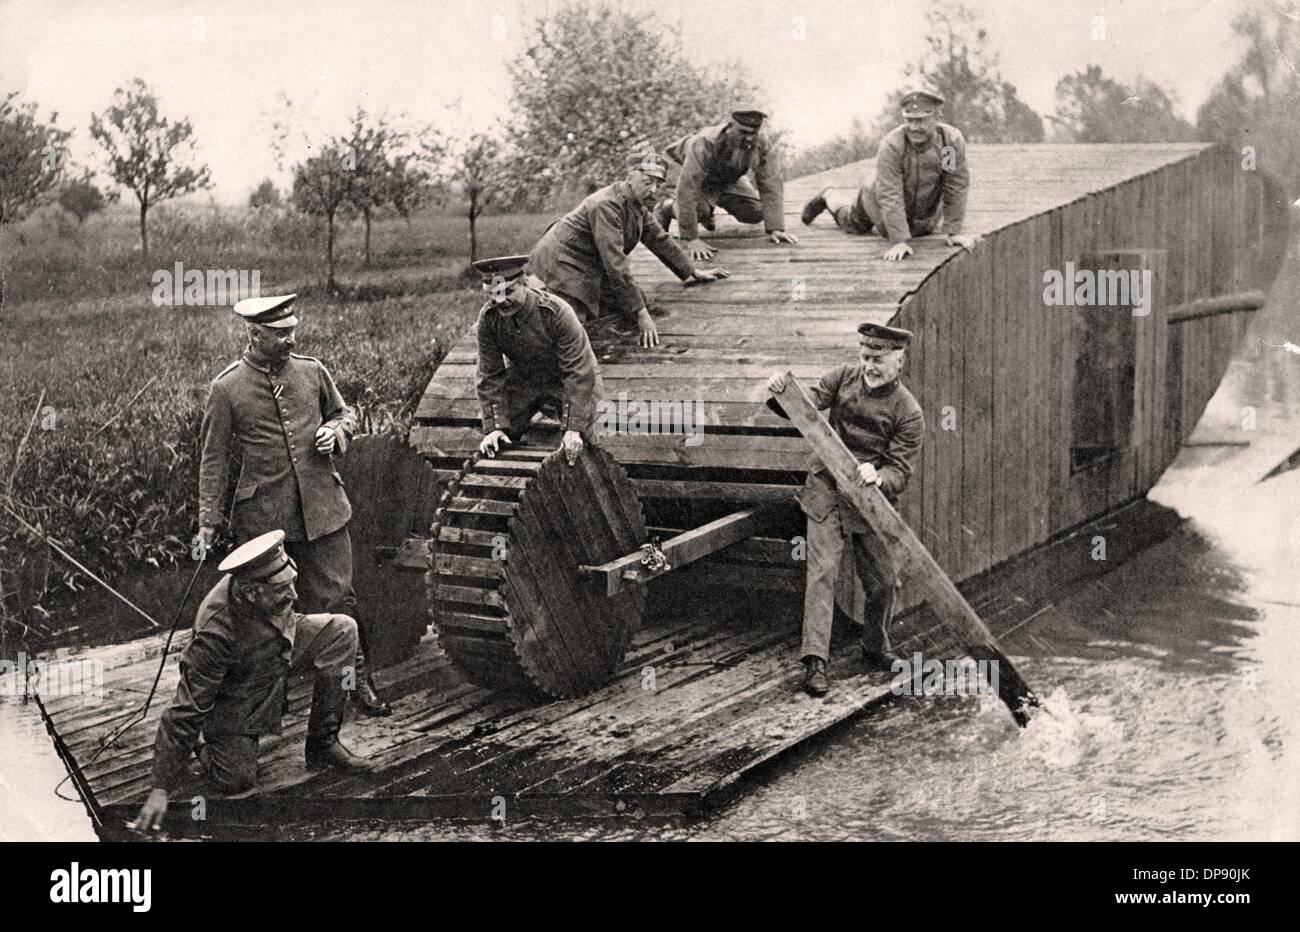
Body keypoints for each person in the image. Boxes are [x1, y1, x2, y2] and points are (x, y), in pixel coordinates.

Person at [197, 293, 391, 716]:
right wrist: (209, 522)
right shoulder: (226, 388)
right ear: (254, 334)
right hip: (265, 521)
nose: (290, 339)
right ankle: (272, 694)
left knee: (339, 600)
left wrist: (336, 433)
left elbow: (345, 414)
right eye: (279, 333)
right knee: (270, 611)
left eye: (292, 331)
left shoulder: (311, 371)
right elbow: (213, 458)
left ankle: (356, 684)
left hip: (324, 510)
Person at [133, 531, 373, 832]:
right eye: (282, 590)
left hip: (276, 648)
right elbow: (185, 710)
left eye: (291, 584)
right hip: (235, 691)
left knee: (342, 629)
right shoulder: (214, 632)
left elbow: (288, 613)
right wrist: (161, 789)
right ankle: (202, 742)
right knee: (236, 780)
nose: (295, 596)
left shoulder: (267, 587)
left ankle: (323, 743)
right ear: (250, 592)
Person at [766, 323, 925, 697]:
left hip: (871, 501)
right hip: (826, 491)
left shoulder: (909, 411)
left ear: (899, 361)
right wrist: (780, 393)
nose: (869, 366)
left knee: (884, 582)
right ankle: (815, 661)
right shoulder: (841, 379)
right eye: (865, 357)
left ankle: (875, 646)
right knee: (822, 573)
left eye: (879, 359)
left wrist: (879, 475)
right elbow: (806, 406)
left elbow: (900, 472)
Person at [528, 152, 730, 348]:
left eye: (658, 184)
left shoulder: (636, 205)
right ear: (630, 177)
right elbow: (615, 264)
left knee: (634, 301)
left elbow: (659, 239)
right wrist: (642, 316)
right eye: (647, 182)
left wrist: (692, 271)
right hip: (562, 262)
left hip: (589, 264)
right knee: (570, 326)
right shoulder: (606, 205)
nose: (653, 189)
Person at [801, 90, 978, 262]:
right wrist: (899, 241)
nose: (914, 127)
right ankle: (828, 195)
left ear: (937, 119)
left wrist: (953, 232)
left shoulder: (948, 143)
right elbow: (890, 193)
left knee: (922, 231)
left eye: (920, 121)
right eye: (909, 120)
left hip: (921, 203)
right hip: (876, 195)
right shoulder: (893, 145)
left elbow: (954, 183)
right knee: (854, 224)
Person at [474, 254, 602, 464]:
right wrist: (495, 427)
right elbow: (489, 375)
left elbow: (578, 371)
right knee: (497, 439)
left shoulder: (556, 312)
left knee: (585, 441)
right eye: (493, 294)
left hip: (570, 379)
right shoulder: (489, 319)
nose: (500, 301)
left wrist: (573, 427)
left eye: (508, 291)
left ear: (525, 283)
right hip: (526, 379)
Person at [656, 108, 798, 260]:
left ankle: (706, 211)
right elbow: (688, 187)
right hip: (682, 168)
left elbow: (771, 182)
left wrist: (776, 228)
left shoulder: (761, 143)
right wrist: (691, 238)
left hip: (724, 177)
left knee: (755, 213)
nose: (749, 138)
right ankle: (667, 206)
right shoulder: (705, 142)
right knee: (698, 211)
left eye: (753, 132)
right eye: (743, 132)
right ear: (730, 127)